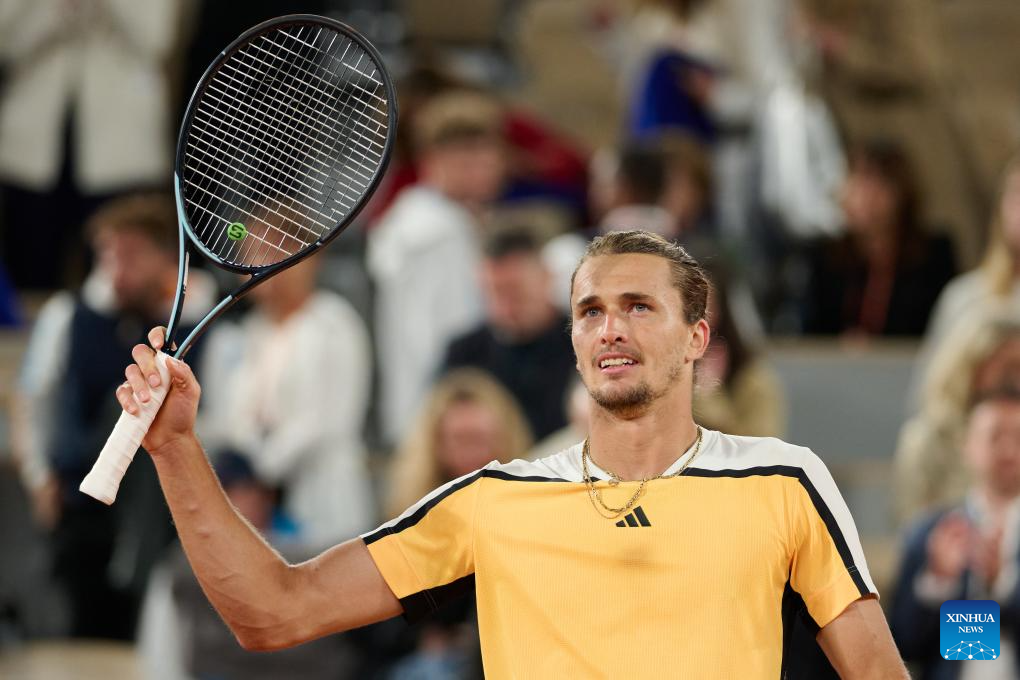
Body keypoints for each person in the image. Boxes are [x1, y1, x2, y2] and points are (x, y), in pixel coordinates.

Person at [116, 230, 906, 678]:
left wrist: (963, 607)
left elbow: (876, 674)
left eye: (639, 306)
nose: (611, 329)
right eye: (590, 311)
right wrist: (178, 448)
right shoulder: (492, 500)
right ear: (571, 340)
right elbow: (274, 614)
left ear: (698, 338)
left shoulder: (783, 479)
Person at [11, 193, 215, 639]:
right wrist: (38, 475)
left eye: (130, 255)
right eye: (107, 254)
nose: (115, 268)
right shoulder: (67, 317)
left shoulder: (202, 327)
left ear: (166, 259)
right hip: (78, 513)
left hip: (165, 520)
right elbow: (33, 400)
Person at [199, 253, 375, 547]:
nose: (265, 269)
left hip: (323, 494)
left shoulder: (334, 323)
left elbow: (326, 420)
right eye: (251, 259)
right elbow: (232, 417)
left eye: (277, 257)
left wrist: (262, 469)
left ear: (310, 260)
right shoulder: (242, 332)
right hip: (258, 503)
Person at [367, 90, 505, 445]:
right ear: (438, 158)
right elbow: (441, 336)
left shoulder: (426, 221)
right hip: (442, 421)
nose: (493, 163)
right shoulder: (436, 233)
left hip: (426, 419)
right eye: (475, 152)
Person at [890, 388, 1020, 680]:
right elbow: (902, 645)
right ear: (968, 445)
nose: (1009, 450)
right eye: (995, 436)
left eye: (1018, 436)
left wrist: (1001, 586)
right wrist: (938, 582)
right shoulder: (931, 532)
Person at [801, 139, 957, 337]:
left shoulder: (932, 254)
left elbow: (941, 328)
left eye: (872, 184)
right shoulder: (827, 256)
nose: (860, 196)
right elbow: (812, 333)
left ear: (899, 191)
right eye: (854, 180)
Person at [441, 229, 575, 441]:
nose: (505, 307)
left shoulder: (581, 341)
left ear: (547, 277)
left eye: (516, 291)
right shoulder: (464, 353)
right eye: (494, 292)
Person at [895, 311, 1020, 521]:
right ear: (973, 366)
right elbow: (912, 524)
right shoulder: (928, 440)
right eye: (1008, 366)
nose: (1015, 379)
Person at [386, 368, 533, 520]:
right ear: (435, 445)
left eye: (480, 440)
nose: (472, 453)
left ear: (505, 440)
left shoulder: (532, 510)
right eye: (460, 440)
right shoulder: (409, 521)